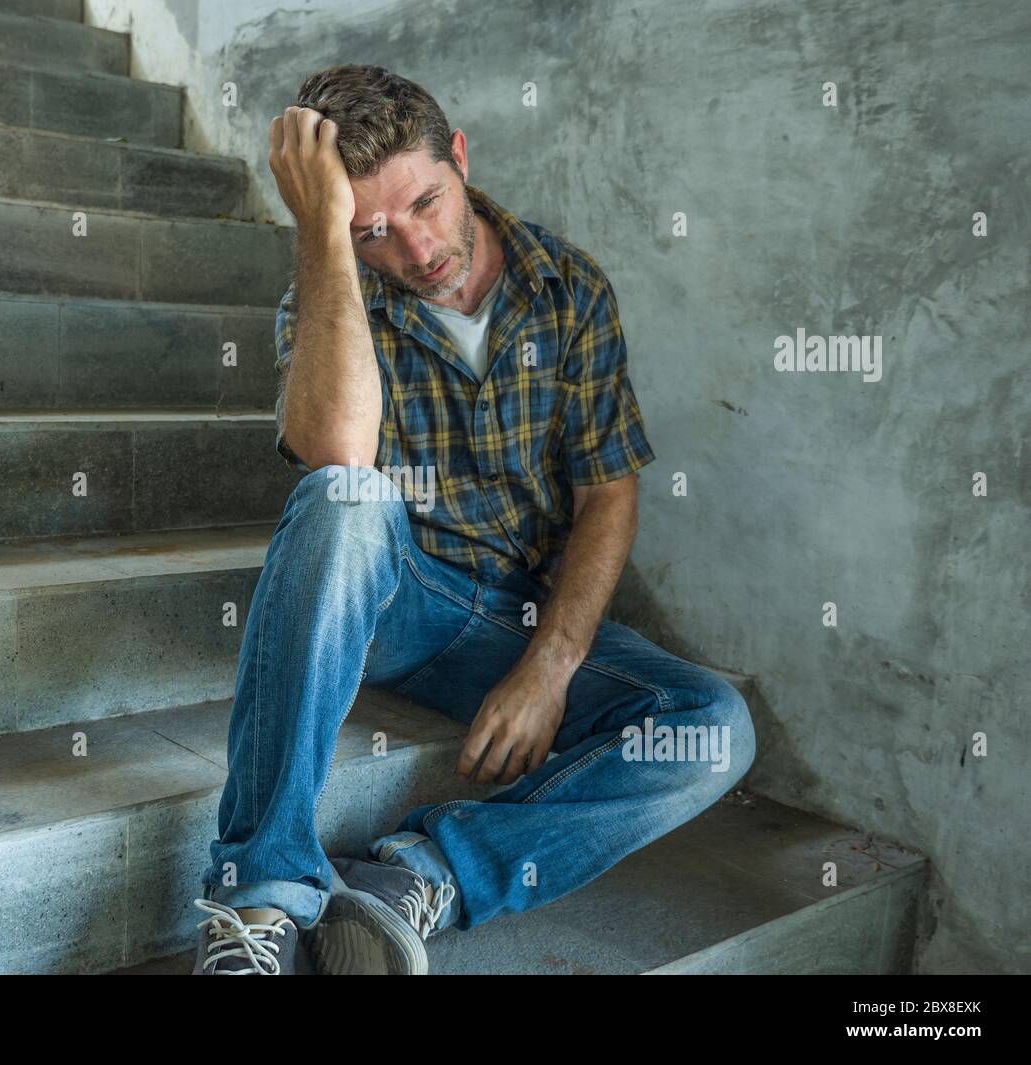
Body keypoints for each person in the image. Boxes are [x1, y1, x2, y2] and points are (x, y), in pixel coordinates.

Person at [190, 64, 754, 975]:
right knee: (344, 496)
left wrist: (553, 662)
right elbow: (336, 452)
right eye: (375, 229)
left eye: (427, 202)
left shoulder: (567, 288)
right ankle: (263, 892)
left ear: (460, 156)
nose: (415, 249)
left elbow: (608, 488)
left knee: (715, 724)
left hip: (513, 616)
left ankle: (418, 875)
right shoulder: (330, 293)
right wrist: (326, 240)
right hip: (397, 596)